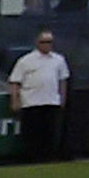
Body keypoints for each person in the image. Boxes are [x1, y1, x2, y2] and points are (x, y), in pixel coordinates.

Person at [7, 30, 73, 160]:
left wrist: (62, 98)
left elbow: (62, 80)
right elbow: (15, 81)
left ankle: (49, 157)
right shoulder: (25, 61)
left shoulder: (59, 60)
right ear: (37, 43)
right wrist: (14, 100)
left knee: (50, 132)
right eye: (44, 42)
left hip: (51, 101)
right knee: (33, 132)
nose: (47, 45)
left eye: (49, 42)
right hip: (31, 102)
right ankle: (33, 157)